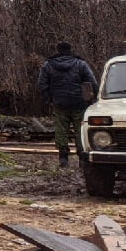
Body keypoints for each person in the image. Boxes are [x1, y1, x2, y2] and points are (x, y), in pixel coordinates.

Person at [37, 41, 98, 170]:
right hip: (79, 102)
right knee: (80, 130)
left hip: (59, 102)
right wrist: (92, 98)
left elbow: (42, 84)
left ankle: (63, 157)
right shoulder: (80, 64)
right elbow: (92, 82)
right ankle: (82, 157)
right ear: (70, 50)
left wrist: (50, 99)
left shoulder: (48, 65)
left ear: (58, 50)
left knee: (61, 130)